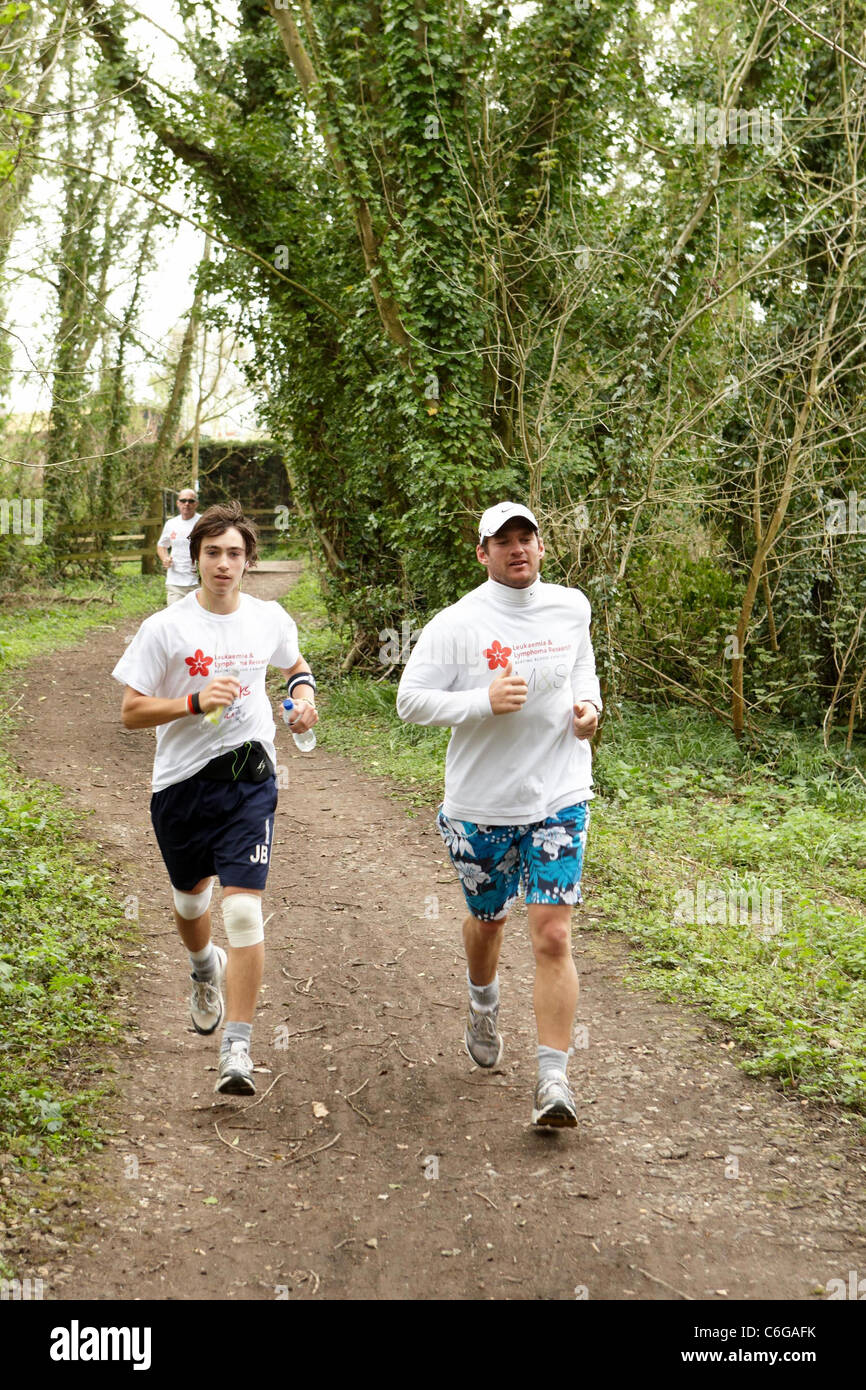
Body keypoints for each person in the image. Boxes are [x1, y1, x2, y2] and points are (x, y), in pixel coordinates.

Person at [396, 501, 602, 1129]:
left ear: (542, 547)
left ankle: (553, 1081)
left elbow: (583, 670)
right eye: (502, 541)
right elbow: (410, 701)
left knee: (553, 934)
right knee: (488, 922)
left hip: (560, 794)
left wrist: (589, 706)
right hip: (481, 806)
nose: (518, 549)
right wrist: (481, 701)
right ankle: (483, 1000)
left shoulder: (572, 606)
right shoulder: (457, 622)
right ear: (482, 553)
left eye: (527, 538)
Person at [112, 501, 319, 1094]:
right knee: (189, 902)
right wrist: (194, 703)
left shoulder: (268, 618)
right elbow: (130, 712)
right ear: (194, 557)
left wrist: (303, 703)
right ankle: (205, 968)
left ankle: (238, 1048)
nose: (223, 564)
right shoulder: (165, 628)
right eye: (212, 553)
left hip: (251, 777)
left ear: (248, 561)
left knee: (244, 909)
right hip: (180, 785)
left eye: (234, 553)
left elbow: (297, 669)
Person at [157, 489, 200, 605]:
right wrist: (165, 558)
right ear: (178, 503)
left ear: (196, 503)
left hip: (198, 581)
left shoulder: (203, 522)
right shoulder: (171, 524)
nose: (187, 504)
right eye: (183, 500)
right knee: (174, 618)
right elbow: (161, 545)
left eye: (191, 501)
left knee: (197, 618)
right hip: (175, 581)